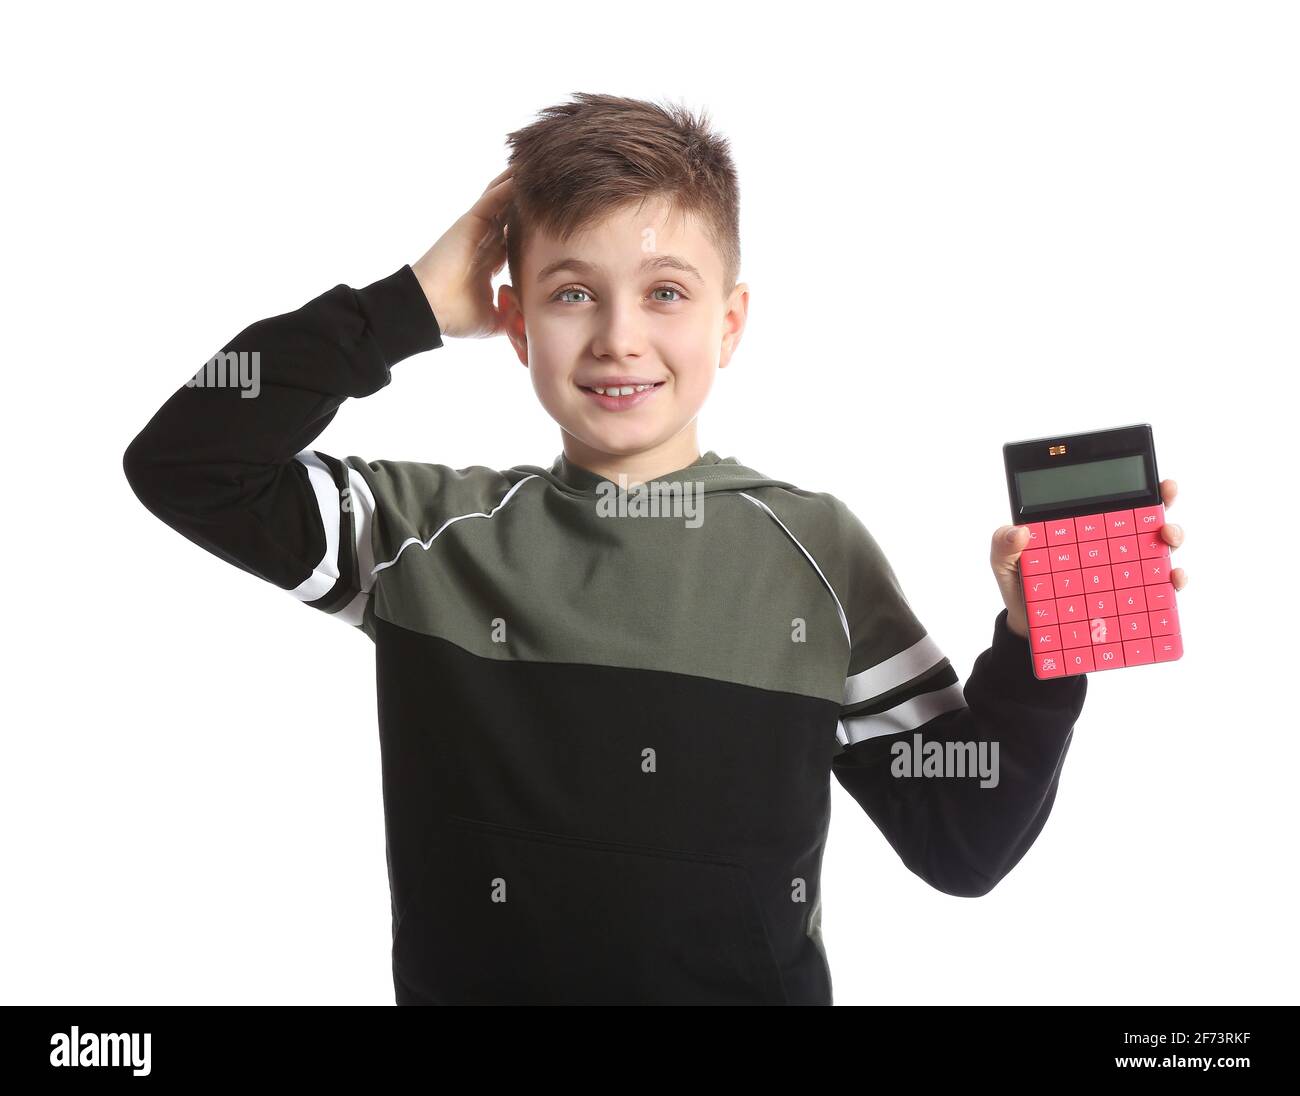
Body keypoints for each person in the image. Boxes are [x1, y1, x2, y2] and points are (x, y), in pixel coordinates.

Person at [122, 92, 1189, 1005]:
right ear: (516, 321)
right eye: (572, 291)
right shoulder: (419, 539)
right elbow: (188, 456)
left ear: (728, 325)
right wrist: (400, 307)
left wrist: (1041, 639)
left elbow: (963, 839)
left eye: (665, 292)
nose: (619, 335)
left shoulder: (811, 551)